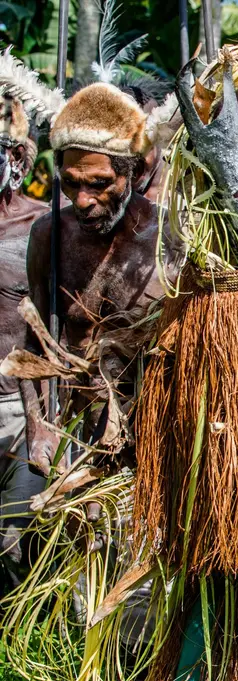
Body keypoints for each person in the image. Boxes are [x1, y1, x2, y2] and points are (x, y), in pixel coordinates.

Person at [20, 82, 181, 476]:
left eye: (99, 184)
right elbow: (34, 340)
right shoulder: (50, 235)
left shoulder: (171, 239)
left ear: (131, 173)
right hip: (78, 436)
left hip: (156, 440)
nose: (82, 200)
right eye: (71, 182)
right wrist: (39, 426)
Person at [0, 94, 49, 586]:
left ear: (15, 158)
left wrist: (41, 420)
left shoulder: (44, 225)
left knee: (15, 539)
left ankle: (22, 645)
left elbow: (57, 331)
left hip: (21, 404)